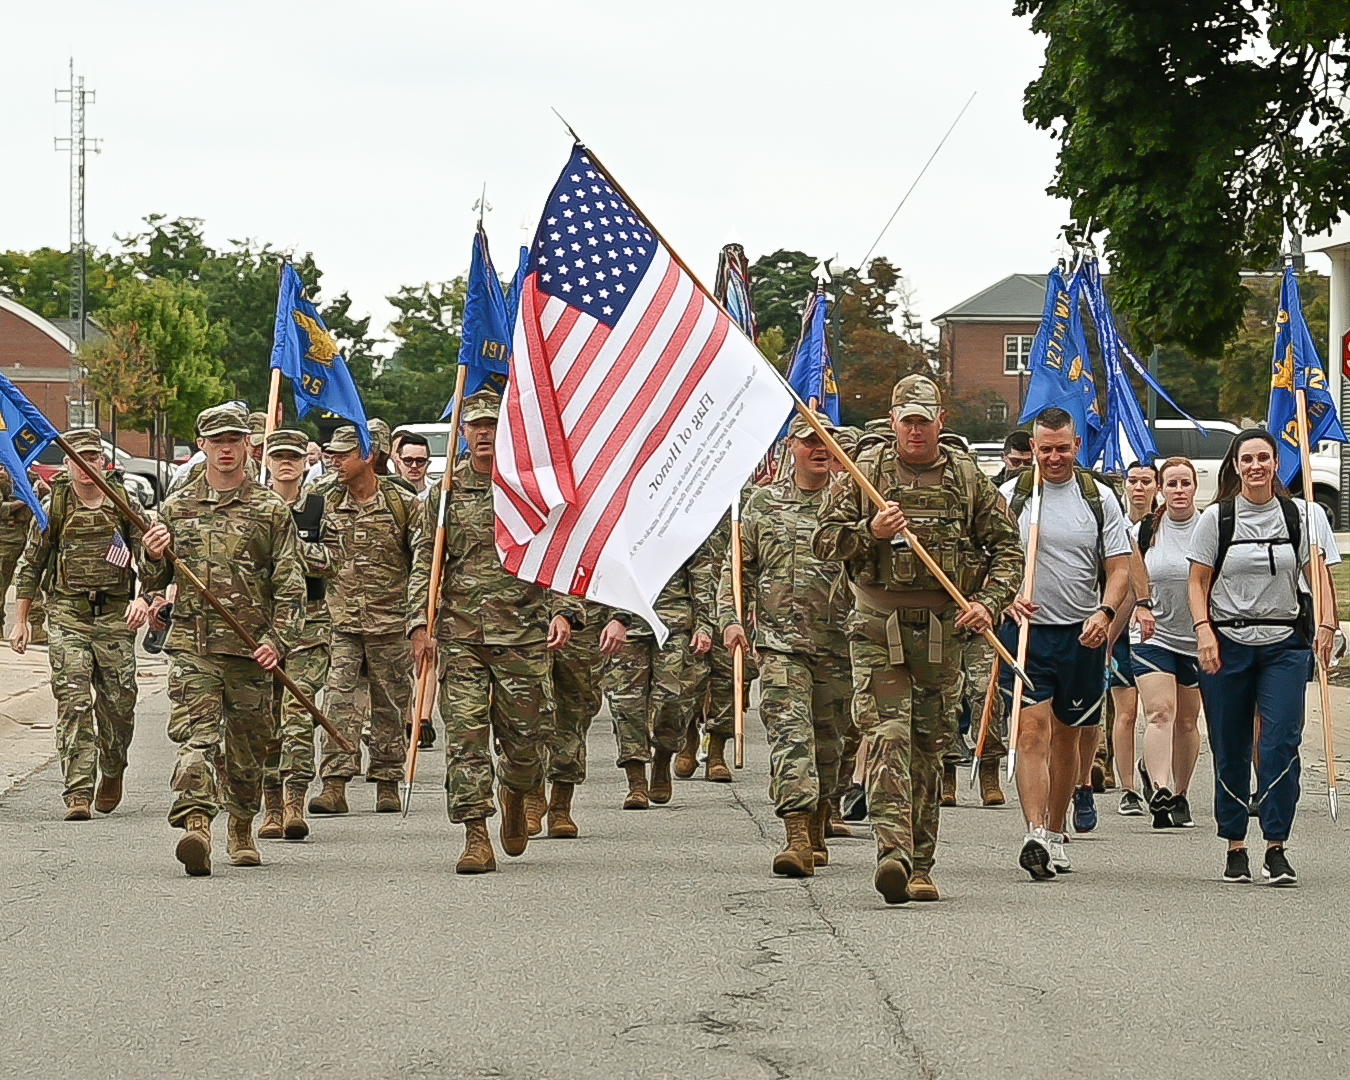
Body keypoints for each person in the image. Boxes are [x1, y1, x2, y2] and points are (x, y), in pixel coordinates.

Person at [816, 375, 1023, 903]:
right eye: (905, 420)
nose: (914, 430)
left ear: (939, 422)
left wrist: (988, 603)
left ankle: (922, 863)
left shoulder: (968, 479)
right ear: (892, 422)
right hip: (876, 626)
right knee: (887, 735)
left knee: (930, 748)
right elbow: (823, 541)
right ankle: (892, 852)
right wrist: (872, 533)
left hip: (941, 633)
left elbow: (1008, 550)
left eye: (923, 421)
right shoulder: (865, 475)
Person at [407, 391, 574, 874]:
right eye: (475, 426)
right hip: (461, 638)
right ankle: (475, 834)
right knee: (466, 740)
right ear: (463, 433)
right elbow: (426, 563)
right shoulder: (445, 493)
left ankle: (518, 791)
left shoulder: (531, 490)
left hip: (523, 636)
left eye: (491, 425)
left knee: (526, 742)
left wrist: (564, 612)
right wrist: (420, 623)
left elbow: (559, 557)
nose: (483, 433)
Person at [140, 404, 306, 877]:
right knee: (197, 738)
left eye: (235, 440)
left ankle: (242, 824)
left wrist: (278, 640)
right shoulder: (176, 507)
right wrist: (151, 555)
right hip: (194, 646)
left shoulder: (270, 509)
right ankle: (197, 824)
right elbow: (155, 578)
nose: (227, 448)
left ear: (249, 445)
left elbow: (291, 585)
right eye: (217, 441)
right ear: (203, 446)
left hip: (251, 650)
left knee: (248, 749)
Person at [1188, 429, 1333, 886]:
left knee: (1280, 742)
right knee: (1230, 744)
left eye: (1264, 459)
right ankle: (1235, 844)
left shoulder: (1300, 517)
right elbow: (1197, 582)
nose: (1256, 467)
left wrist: (1327, 626)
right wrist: (1204, 632)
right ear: (1235, 465)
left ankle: (1276, 845)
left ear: (1276, 464)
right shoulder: (1217, 519)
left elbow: (1319, 576)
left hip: (1284, 645)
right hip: (1227, 643)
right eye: (1247, 459)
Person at [999, 406, 1131, 879]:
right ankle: (1034, 832)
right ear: (1032, 449)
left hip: (1082, 631)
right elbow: (989, 557)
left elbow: (1119, 568)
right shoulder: (1011, 497)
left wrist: (1106, 612)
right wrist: (1006, 595)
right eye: (1045, 449)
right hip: (1027, 633)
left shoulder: (1099, 499)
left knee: (1067, 737)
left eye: (1062, 449)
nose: (1054, 458)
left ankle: (1056, 832)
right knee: (1030, 731)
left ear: (1077, 446)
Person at [721, 412, 852, 877]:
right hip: (779, 646)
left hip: (842, 647)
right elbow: (737, 569)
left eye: (827, 441)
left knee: (830, 745)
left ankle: (819, 820)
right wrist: (731, 621)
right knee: (789, 738)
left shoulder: (853, 502)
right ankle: (796, 833)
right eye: (808, 441)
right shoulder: (762, 504)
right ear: (790, 448)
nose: (819, 448)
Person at [9, 431, 147, 819]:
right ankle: (78, 792)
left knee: (119, 705)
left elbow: (152, 559)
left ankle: (114, 767)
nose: (88, 466)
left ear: (103, 462)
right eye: (79, 458)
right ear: (68, 464)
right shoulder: (55, 506)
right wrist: (21, 621)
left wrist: (144, 598)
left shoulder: (124, 503)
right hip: (68, 615)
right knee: (73, 702)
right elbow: (31, 564)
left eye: (94, 458)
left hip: (116, 617)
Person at [308, 423, 423, 817]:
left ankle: (388, 779)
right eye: (332, 453)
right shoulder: (319, 497)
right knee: (338, 700)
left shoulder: (402, 501)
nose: (334, 459)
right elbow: (300, 551)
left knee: (390, 702)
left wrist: (421, 620)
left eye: (344, 453)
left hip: (390, 621)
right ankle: (335, 782)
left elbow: (423, 561)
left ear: (370, 455)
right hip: (338, 621)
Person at [258, 429, 336, 840]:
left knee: (297, 714)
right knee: (265, 719)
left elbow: (332, 560)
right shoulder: (255, 507)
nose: (286, 462)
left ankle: (294, 800)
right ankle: (270, 804)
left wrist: (290, 544)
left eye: (294, 456)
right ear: (267, 461)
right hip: (263, 627)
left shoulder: (321, 509)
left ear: (307, 461)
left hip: (309, 626)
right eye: (278, 456)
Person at [1128, 457, 1202, 825]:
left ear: (1194, 487)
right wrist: (1123, 623)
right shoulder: (1145, 530)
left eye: (1184, 483)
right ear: (1160, 488)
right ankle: (1160, 788)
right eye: (1171, 484)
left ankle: (1181, 793)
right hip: (1152, 634)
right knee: (1159, 712)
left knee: (1187, 722)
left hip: (1196, 638)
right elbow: (1131, 577)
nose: (1178, 491)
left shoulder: (1209, 528)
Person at [0, 465, 49, 643]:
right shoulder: (3, 479)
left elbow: (49, 501)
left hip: (29, 536)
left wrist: (43, 490)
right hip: (5, 539)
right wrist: (24, 501)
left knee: (31, 583)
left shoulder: (30, 477)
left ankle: (37, 628)